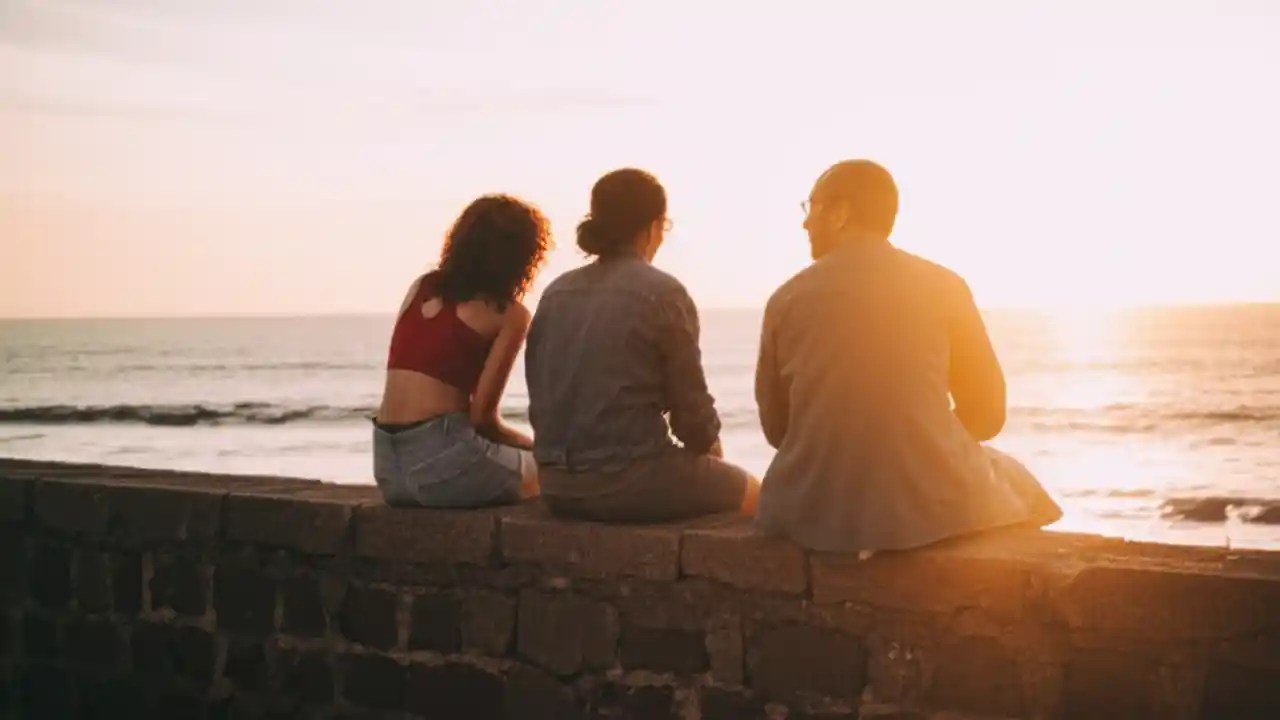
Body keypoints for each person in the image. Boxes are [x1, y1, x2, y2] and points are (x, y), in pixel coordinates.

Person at [754, 160, 1061, 552]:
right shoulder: (944, 285)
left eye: (811, 208)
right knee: (1020, 487)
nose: (805, 223)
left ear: (841, 213)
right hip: (927, 510)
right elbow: (988, 412)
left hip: (805, 512)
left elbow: (777, 430)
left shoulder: (786, 300)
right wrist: (922, 444)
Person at [525, 168, 760, 522]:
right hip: (627, 481)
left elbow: (541, 389)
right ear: (653, 227)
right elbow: (691, 413)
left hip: (556, 484)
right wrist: (711, 458)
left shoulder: (556, 292)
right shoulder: (662, 292)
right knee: (754, 494)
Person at [373, 194, 549, 507]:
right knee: (554, 474)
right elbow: (483, 419)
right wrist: (531, 446)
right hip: (443, 464)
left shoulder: (421, 287)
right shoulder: (509, 315)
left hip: (387, 468)